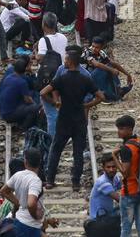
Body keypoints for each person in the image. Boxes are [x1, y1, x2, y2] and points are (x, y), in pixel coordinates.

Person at [43, 45, 103, 191]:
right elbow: (101, 96)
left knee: (56, 148)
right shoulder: (85, 78)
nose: (64, 61)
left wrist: (55, 102)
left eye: (66, 59)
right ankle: (76, 183)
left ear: (70, 61)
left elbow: (43, 92)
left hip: (64, 118)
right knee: (78, 152)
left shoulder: (62, 78)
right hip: (79, 120)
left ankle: (50, 180)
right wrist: (86, 105)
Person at [0, 148, 45, 237]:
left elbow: (4, 191)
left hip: (19, 220)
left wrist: (18, 203)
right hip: (29, 223)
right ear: (40, 162)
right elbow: (31, 204)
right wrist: (35, 216)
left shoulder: (18, 175)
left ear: (25, 162)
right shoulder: (35, 180)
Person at [115, 115, 140, 237]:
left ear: (129, 129)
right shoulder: (139, 143)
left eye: (121, 129)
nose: (119, 132)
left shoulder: (126, 148)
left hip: (128, 192)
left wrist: (114, 156)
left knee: (126, 227)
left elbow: (125, 171)